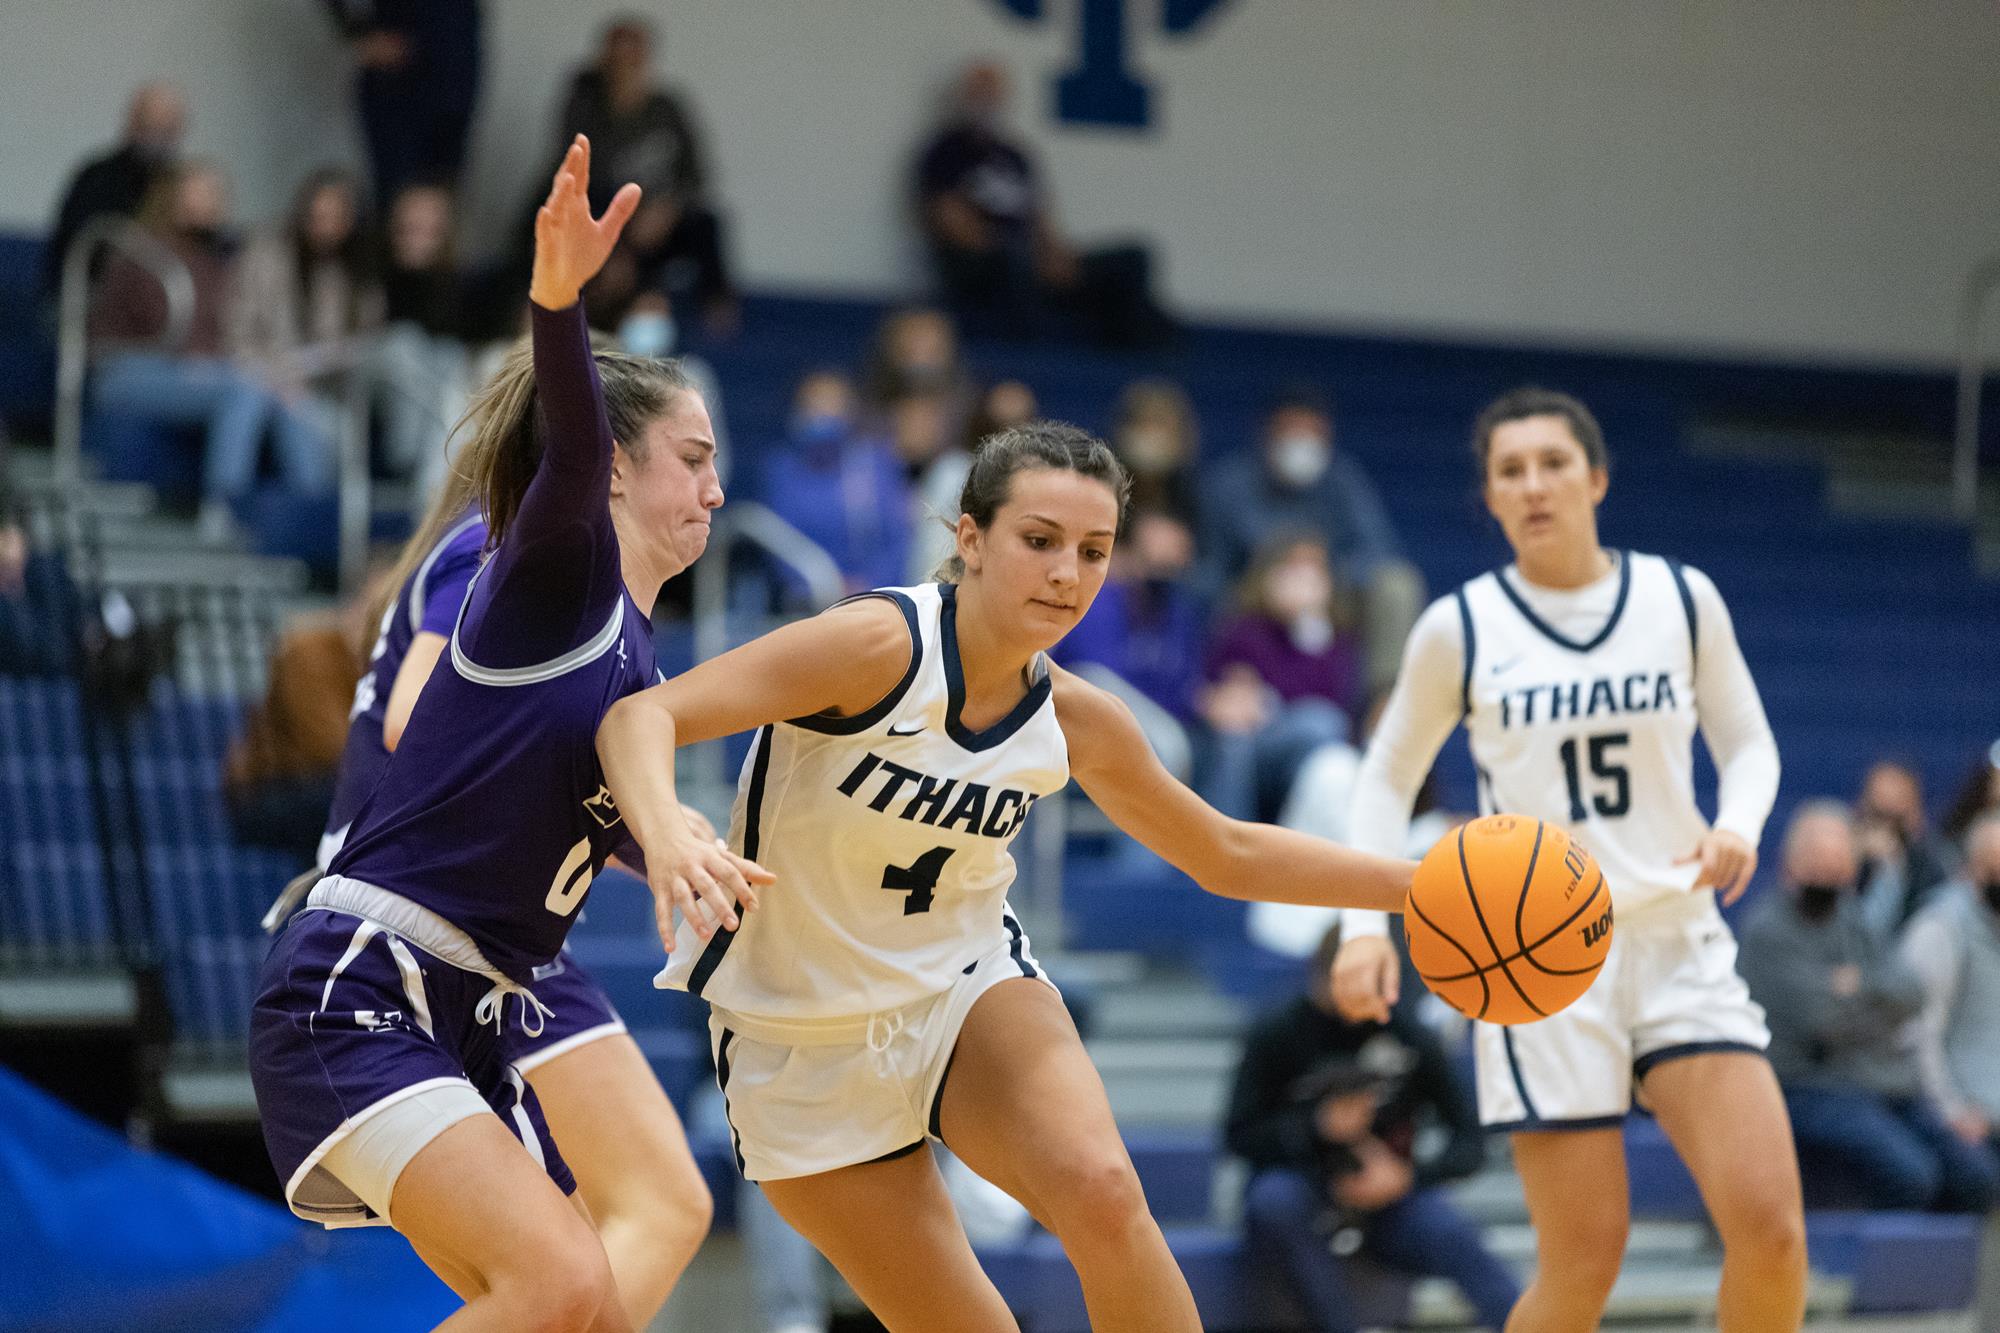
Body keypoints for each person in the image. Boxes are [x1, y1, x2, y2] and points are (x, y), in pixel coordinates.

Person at [595, 420, 1417, 1331]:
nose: (1068, 571)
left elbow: (1225, 850)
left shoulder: (1080, 716)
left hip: (963, 988)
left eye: (1094, 551)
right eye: (1039, 540)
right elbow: (640, 719)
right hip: (794, 1029)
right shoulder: (874, 645)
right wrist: (665, 830)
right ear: (971, 538)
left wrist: (1425, 886)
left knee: (1104, 1192)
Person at [248, 137, 755, 1329]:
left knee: (578, 1290)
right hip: (369, 975)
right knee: (561, 1278)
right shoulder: (550, 575)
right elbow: (568, 443)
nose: (715, 490)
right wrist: (558, 303)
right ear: (615, 475)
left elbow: (603, 819)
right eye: (691, 459)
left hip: (470, 999)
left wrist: (706, 860)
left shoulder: (633, 657)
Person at [1331, 387, 1806, 1332]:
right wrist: (1359, 927)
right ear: (1491, 498)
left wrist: (1740, 824)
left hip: (1676, 931)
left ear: (1595, 477)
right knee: (1584, 1260)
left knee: (1773, 1229)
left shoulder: (1679, 596)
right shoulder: (1459, 627)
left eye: (1552, 463)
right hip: (1539, 960)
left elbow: (1749, 744)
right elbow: (1385, 780)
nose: (1533, 484)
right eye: (1510, 471)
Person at [1227, 924, 1520, 1332]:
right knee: (1273, 1202)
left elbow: (1470, 1139)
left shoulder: (1409, 1035)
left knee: (1447, 1228)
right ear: (1322, 977)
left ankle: (1532, 1325)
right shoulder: (1277, 1033)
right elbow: (1237, 1136)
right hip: (1302, 1186)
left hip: (1392, 1198)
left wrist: (1408, 1178)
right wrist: (1314, 1127)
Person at [1739, 802, 1999, 1214]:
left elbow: (1911, 993)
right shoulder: (1767, 931)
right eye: (1818, 870)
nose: (1829, 881)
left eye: (1838, 871)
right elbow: (1822, 1021)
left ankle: (1948, 1274)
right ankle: (1863, 1271)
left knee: (1976, 1176)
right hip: (1806, 1086)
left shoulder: (1852, 918)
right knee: (1913, 1174)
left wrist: (1852, 985)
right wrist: (1870, 1005)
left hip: (1873, 1082)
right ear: (1790, 865)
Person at [88, 162, 335, 542]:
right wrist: (203, 361)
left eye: (218, 195)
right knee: (245, 387)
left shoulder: (220, 260)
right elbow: (162, 327)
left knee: (285, 397)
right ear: (173, 195)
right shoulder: (139, 248)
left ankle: (306, 523)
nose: (212, 204)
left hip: (201, 372)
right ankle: (223, 512)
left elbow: (234, 333)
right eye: (201, 193)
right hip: (127, 368)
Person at [913, 60, 1172, 347]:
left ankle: (1129, 353)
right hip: (981, 267)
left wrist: (1054, 255)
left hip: (1028, 262)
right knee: (1014, 256)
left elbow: (1039, 215)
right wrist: (1021, 252)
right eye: (979, 90)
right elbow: (951, 222)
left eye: (993, 91)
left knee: (1133, 258)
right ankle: (1028, 353)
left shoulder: (1014, 155)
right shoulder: (945, 150)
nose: (987, 99)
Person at [1199, 388, 1423, 693]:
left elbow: (1377, 551)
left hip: (1328, 593)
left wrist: (1317, 580)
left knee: (1396, 584)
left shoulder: (1344, 481)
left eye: (1312, 433)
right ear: (1268, 434)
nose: (1302, 443)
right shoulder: (1229, 483)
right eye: (1292, 431)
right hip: (1252, 600)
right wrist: (1268, 585)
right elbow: (1208, 567)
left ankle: (1383, 703)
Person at [549, 15, 735, 329]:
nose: (628, 66)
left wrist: (668, 208)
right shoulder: (584, 104)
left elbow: (696, 173)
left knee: (707, 222)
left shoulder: (667, 107)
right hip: (608, 216)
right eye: (620, 57)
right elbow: (576, 171)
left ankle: (718, 313)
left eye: (635, 57)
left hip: (662, 216)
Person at [762, 370, 912, 598]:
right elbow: (780, 544)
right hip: (806, 601)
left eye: (831, 404)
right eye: (814, 404)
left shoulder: (876, 463)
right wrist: (826, 585)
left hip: (877, 596)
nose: (822, 413)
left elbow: (898, 539)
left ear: (849, 411)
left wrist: (871, 584)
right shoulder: (782, 469)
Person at [1902, 813, 2000, 1157]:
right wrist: (1953, 1111)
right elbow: (1918, 1032)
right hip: (1965, 1113)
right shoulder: (1941, 928)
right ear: (1972, 869)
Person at [324, 0, 483, 203]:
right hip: (397, 77)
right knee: (397, 192)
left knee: (445, 191)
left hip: (455, 67)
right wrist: (358, 33)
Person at [43, 82, 187, 303]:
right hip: (98, 299)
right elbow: (82, 248)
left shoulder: (182, 183)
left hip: (162, 300)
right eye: (152, 125)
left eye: (169, 128)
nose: (160, 137)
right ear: (132, 123)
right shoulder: (98, 177)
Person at [1854, 759, 1958, 926]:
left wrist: (1891, 868)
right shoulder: (1840, 858)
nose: (1885, 832)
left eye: (1895, 818)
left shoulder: (1937, 861)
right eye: (1878, 815)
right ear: (1861, 806)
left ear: (1916, 813)